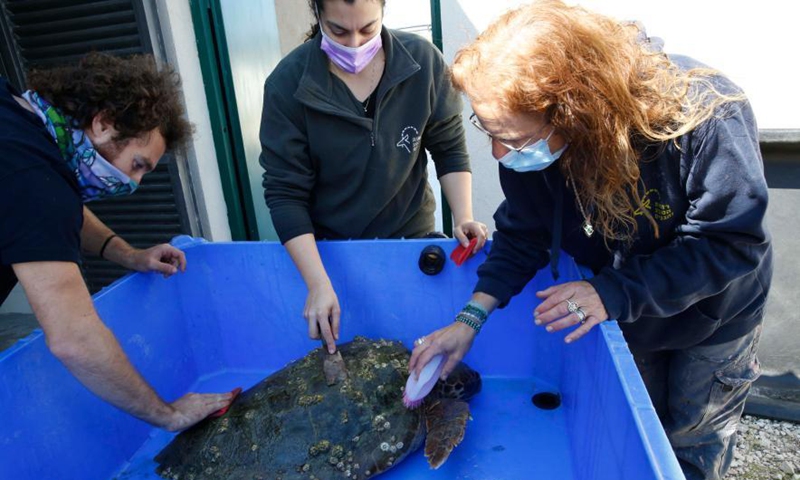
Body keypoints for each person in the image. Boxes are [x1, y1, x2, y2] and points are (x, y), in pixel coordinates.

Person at [408, 2, 772, 479]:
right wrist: (469, 318)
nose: (499, 153)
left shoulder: (704, 116)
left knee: (691, 442)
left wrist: (611, 292)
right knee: (640, 436)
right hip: (629, 314)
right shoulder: (530, 148)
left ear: (579, 113)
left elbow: (730, 243)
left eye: (511, 137)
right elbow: (523, 233)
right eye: (488, 130)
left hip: (713, 317)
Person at [0, 52, 234, 431]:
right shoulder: (33, 180)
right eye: (138, 165)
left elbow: (57, 206)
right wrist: (169, 414)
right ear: (104, 123)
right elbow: (74, 339)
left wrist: (129, 255)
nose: (135, 183)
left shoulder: (18, 118)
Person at [259, 0, 487, 353]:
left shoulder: (422, 63)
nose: (354, 44)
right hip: (332, 252)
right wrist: (318, 283)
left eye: (368, 29)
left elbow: (449, 148)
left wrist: (464, 216)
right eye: (338, 30)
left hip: (410, 239)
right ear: (317, 14)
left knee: (420, 347)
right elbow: (285, 194)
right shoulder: (287, 85)